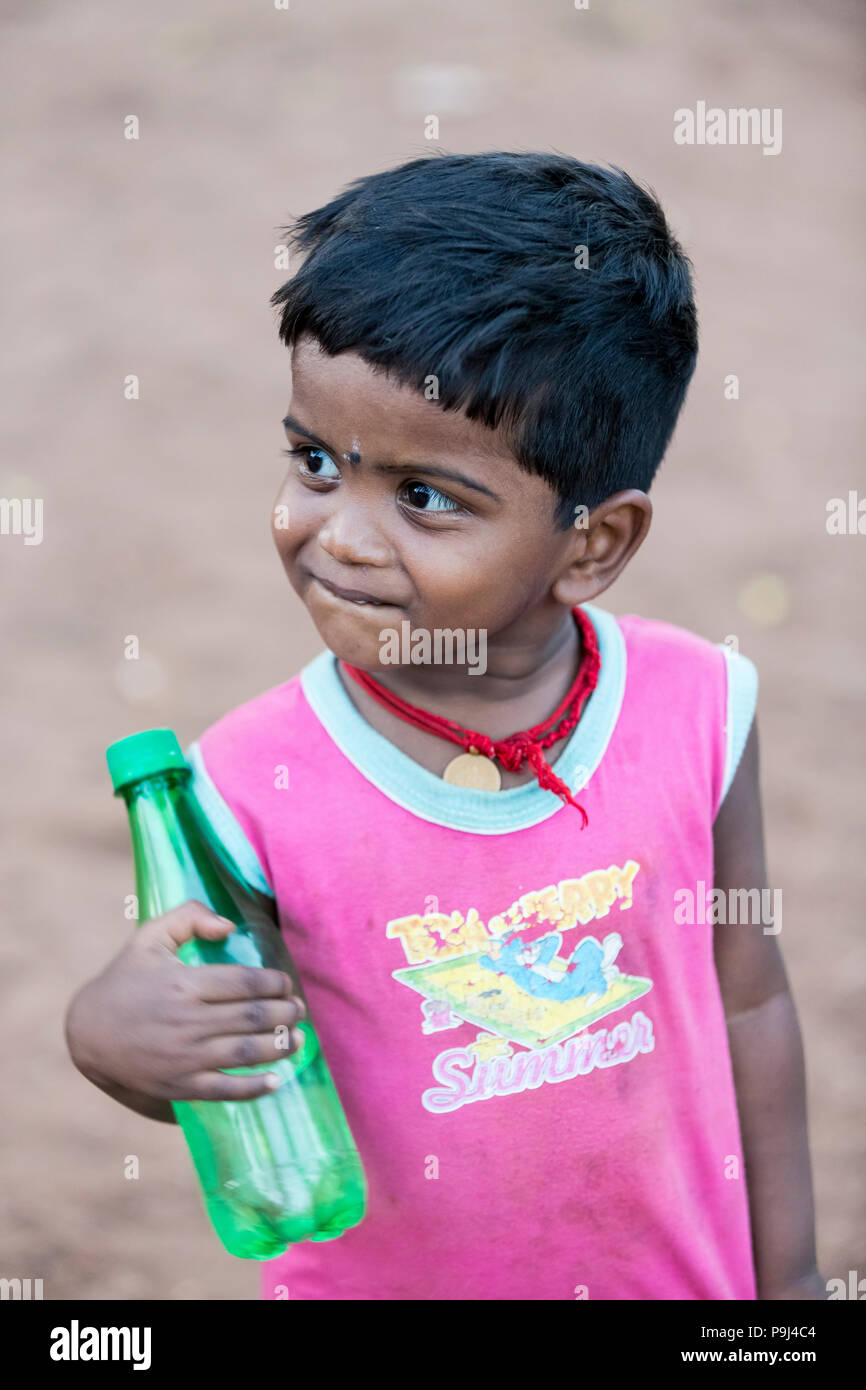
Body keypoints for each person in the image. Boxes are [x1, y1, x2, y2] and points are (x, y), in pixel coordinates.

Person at [65, 152, 824, 1300]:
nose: (341, 537)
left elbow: (749, 997)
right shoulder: (243, 784)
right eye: (315, 462)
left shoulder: (697, 708)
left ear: (594, 545)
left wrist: (794, 1288)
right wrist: (112, 1038)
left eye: (423, 497)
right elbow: (244, 1063)